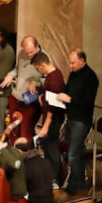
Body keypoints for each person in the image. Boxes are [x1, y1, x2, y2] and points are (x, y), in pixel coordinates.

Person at [57, 49, 99, 194]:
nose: (71, 66)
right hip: (71, 117)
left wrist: (70, 100)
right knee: (74, 153)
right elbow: (68, 91)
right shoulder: (74, 74)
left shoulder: (91, 77)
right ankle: (76, 183)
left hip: (82, 120)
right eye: (70, 62)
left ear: (82, 61)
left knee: (73, 154)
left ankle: (76, 187)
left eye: (73, 62)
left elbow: (88, 102)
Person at [30, 52, 66, 189]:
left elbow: (54, 107)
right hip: (48, 117)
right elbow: (50, 95)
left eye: (38, 69)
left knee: (52, 147)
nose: (38, 71)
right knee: (47, 146)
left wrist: (45, 126)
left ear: (43, 65)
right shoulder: (51, 76)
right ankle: (50, 176)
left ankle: (55, 179)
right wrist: (43, 96)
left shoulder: (56, 79)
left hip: (53, 119)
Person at [2, 36, 43, 141]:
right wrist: (10, 75)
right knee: (13, 130)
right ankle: (14, 153)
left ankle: (26, 155)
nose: (29, 55)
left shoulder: (44, 57)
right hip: (17, 96)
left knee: (26, 132)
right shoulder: (21, 53)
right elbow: (17, 69)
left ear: (36, 46)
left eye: (31, 52)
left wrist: (36, 83)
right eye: (27, 52)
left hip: (30, 100)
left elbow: (47, 78)